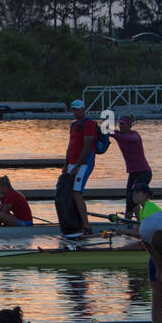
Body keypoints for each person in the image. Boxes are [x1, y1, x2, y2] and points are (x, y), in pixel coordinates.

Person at [63, 100, 97, 233]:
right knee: (71, 193)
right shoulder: (74, 125)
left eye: (77, 109)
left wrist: (77, 165)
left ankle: (86, 226)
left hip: (84, 163)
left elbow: (87, 146)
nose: (75, 112)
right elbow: (70, 145)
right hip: (72, 162)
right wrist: (66, 164)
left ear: (83, 109)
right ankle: (77, 223)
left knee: (76, 192)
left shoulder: (88, 124)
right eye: (73, 109)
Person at [110, 114, 152, 218]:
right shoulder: (119, 135)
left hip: (144, 172)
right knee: (129, 196)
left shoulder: (135, 136)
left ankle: (139, 220)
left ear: (129, 125)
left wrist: (110, 132)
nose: (120, 126)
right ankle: (128, 219)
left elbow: (127, 138)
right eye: (119, 124)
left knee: (133, 196)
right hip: (133, 173)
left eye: (123, 124)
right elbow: (112, 132)